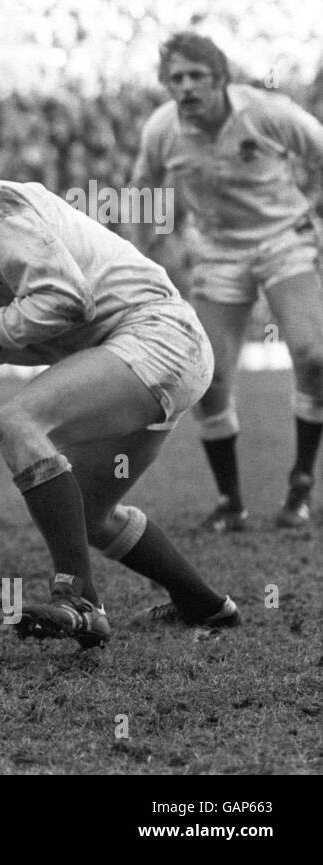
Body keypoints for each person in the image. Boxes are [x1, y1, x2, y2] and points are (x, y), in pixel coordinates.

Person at [0, 106, 238, 645]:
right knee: (90, 516)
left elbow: (65, 298)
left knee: (16, 422)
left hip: (156, 338)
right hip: (158, 348)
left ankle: (80, 599)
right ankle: (205, 605)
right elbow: (53, 329)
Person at [130, 32, 323, 530]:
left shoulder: (268, 113)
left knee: (314, 357)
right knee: (209, 380)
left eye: (197, 76)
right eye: (177, 78)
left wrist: (314, 210)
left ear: (221, 80)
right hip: (216, 253)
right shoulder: (162, 130)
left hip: (284, 241)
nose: (187, 87)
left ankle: (301, 482)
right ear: (166, 84)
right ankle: (230, 502)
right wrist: (150, 247)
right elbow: (143, 185)